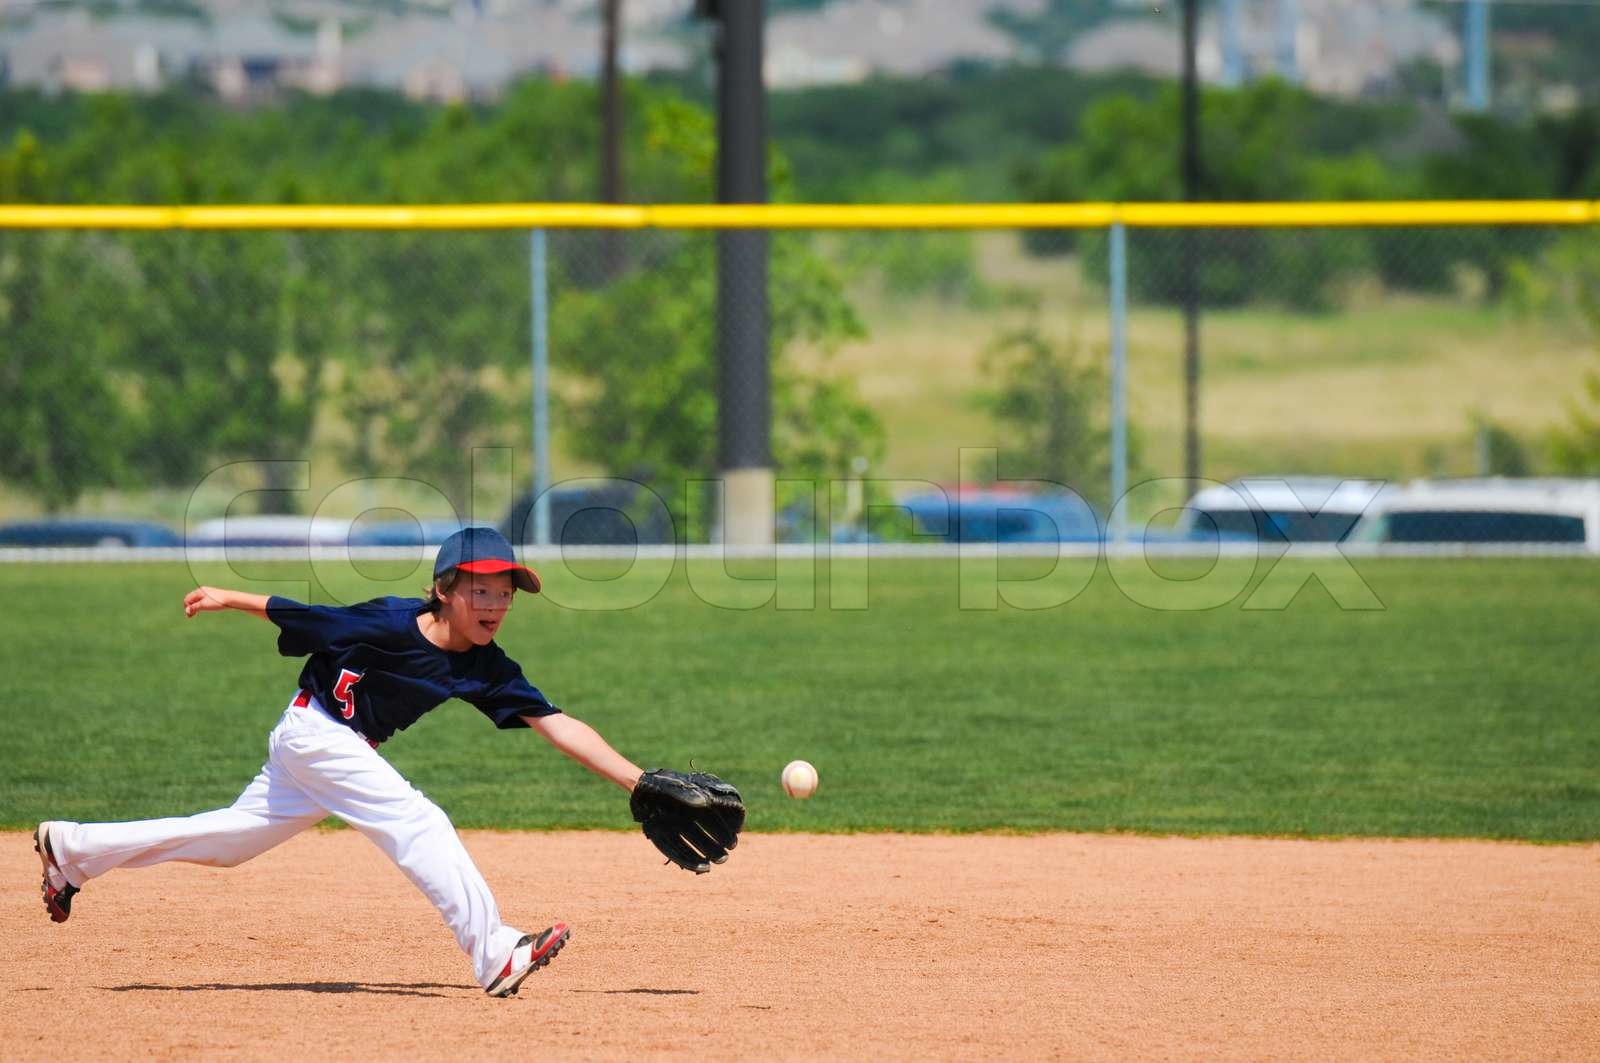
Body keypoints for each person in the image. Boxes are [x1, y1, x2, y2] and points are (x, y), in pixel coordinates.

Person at [33, 527, 661, 997]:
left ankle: (74, 850)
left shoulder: (485, 665)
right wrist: (228, 595)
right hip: (315, 734)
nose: (494, 604)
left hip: (335, 749)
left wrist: (638, 782)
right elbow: (307, 616)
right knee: (418, 820)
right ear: (444, 591)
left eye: (504, 592)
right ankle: (495, 952)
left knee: (231, 844)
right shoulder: (391, 620)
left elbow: (555, 722)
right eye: (479, 590)